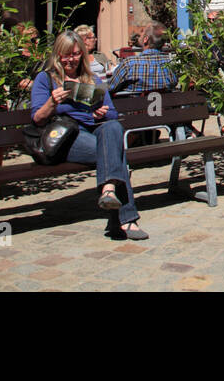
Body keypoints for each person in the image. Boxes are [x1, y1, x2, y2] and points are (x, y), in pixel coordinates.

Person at [29, 30, 146, 240]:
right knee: (115, 154)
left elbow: (112, 113)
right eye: (66, 55)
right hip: (66, 136)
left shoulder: (92, 78)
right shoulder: (46, 79)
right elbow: (38, 118)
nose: (71, 60)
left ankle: (109, 192)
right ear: (58, 54)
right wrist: (52, 103)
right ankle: (126, 219)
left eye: (75, 54)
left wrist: (99, 112)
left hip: (94, 131)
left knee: (113, 128)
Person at [108, 21, 177, 95]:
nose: (140, 34)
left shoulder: (130, 64)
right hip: (165, 105)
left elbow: (109, 87)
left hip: (133, 105)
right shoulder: (171, 63)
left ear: (145, 39)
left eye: (142, 31)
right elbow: (174, 83)